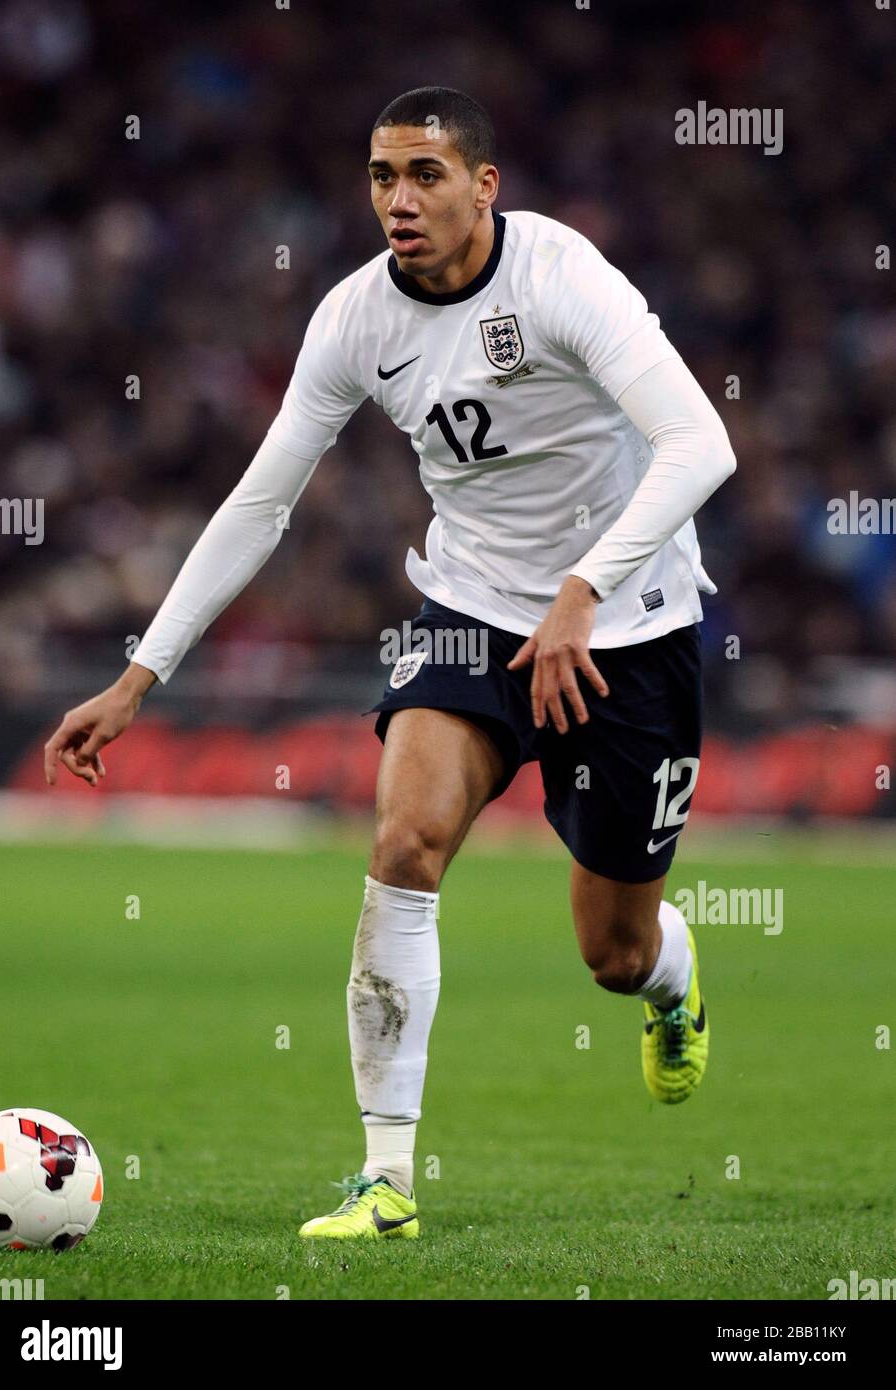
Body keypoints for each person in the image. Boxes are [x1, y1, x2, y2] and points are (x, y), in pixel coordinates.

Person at [44, 86, 736, 1241]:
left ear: (484, 187)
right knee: (402, 842)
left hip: (629, 628)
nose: (398, 201)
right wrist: (137, 677)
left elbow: (699, 443)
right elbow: (259, 505)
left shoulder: (567, 281)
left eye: (423, 175)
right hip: (468, 607)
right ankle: (387, 1183)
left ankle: (671, 981)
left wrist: (582, 590)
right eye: (379, 176)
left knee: (610, 952)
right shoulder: (355, 319)